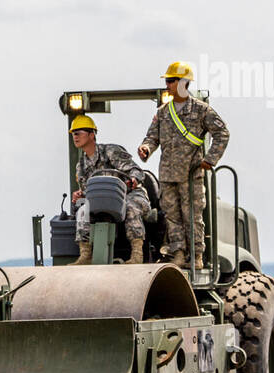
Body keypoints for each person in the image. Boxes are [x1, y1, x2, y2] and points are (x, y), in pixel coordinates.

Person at [138, 61, 229, 269]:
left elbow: (222, 133)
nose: (168, 85)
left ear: (184, 83)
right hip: (167, 174)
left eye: (171, 81)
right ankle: (178, 254)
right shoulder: (163, 112)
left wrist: (210, 160)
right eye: (167, 81)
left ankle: (196, 256)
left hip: (191, 174)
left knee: (192, 217)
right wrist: (145, 148)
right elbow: (152, 138)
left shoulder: (201, 110)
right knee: (172, 216)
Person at [68, 115, 150, 265]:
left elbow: (136, 171)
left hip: (129, 194)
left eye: (78, 132)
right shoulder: (81, 166)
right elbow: (88, 191)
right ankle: (85, 255)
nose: (75, 136)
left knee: (131, 206)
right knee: (82, 209)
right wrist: (81, 194)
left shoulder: (111, 151)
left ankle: (137, 255)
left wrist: (133, 179)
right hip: (103, 201)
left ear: (91, 135)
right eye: (73, 133)